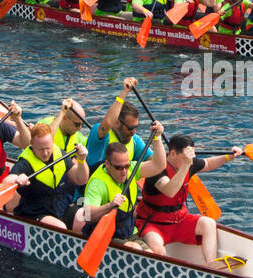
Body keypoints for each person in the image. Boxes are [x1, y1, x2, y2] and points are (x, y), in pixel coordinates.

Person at [134, 135, 243, 268]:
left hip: (178, 220)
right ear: (173, 153)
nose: (191, 159)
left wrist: (228, 156)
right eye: (187, 156)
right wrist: (186, 165)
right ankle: (165, 274)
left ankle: (211, 266)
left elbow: (207, 164)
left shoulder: (188, 162)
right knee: (156, 245)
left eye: (192, 155)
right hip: (153, 223)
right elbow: (170, 191)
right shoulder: (157, 169)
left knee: (208, 223)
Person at [71, 125, 166, 241]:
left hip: (128, 231)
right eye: (119, 168)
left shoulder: (131, 169)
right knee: (137, 248)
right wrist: (110, 205)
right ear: (107, 164)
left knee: (157, 247)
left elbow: (159, 165)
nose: (124, 171)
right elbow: (88, 215)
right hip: (105, 237)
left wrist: (157, 138)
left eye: (126, 166)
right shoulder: (98, 183)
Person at [5, 122, 89, 229]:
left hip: (62, 207)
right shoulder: (25, 163)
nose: (45, 153)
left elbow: (81, 180)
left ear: (52, 142)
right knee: (60, 228)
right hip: (37, 212)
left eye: (48, 148)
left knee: (87, 216)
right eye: (40, 149)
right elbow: (7, 181)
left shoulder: (60, 155)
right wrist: (16, 179)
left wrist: (82, 160)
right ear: (32, 144)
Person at [84, 78, 147, 171]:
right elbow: (107, 124)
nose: (134, 132)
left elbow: (154, 162)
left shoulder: (134, 140)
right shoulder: (100, 134)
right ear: (117, 123)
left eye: (135, 127)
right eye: (130, 128)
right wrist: (125, 92)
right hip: (96, 183)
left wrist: (156, 137)